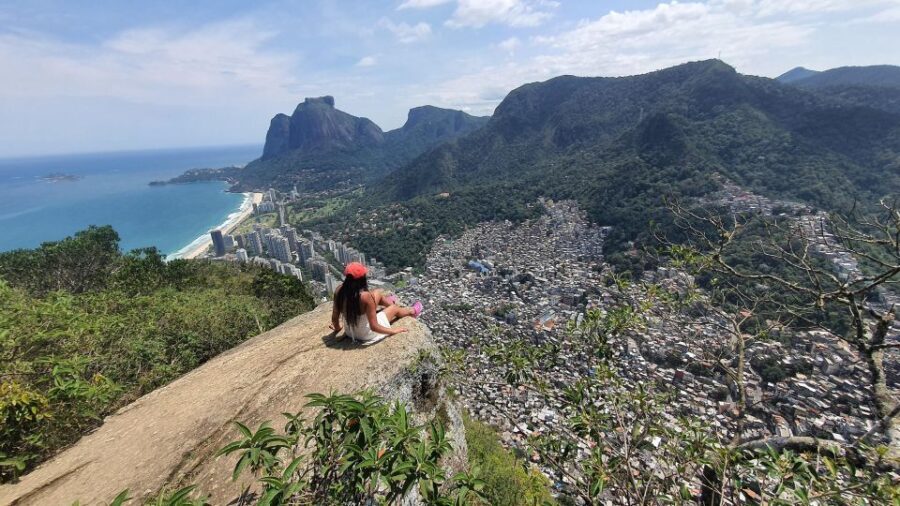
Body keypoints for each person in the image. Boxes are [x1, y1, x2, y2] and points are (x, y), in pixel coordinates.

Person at [330, 262, 423, 344]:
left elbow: (334, 318)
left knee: (377, 293)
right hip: (366, 334)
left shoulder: (339, 290)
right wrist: (393, 331)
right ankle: (412, 311)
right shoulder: (365, 296)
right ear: (362, 278)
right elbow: (374, 327)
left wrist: (338, 328)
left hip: (350, 332)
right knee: (394, 308)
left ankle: (389, 303)